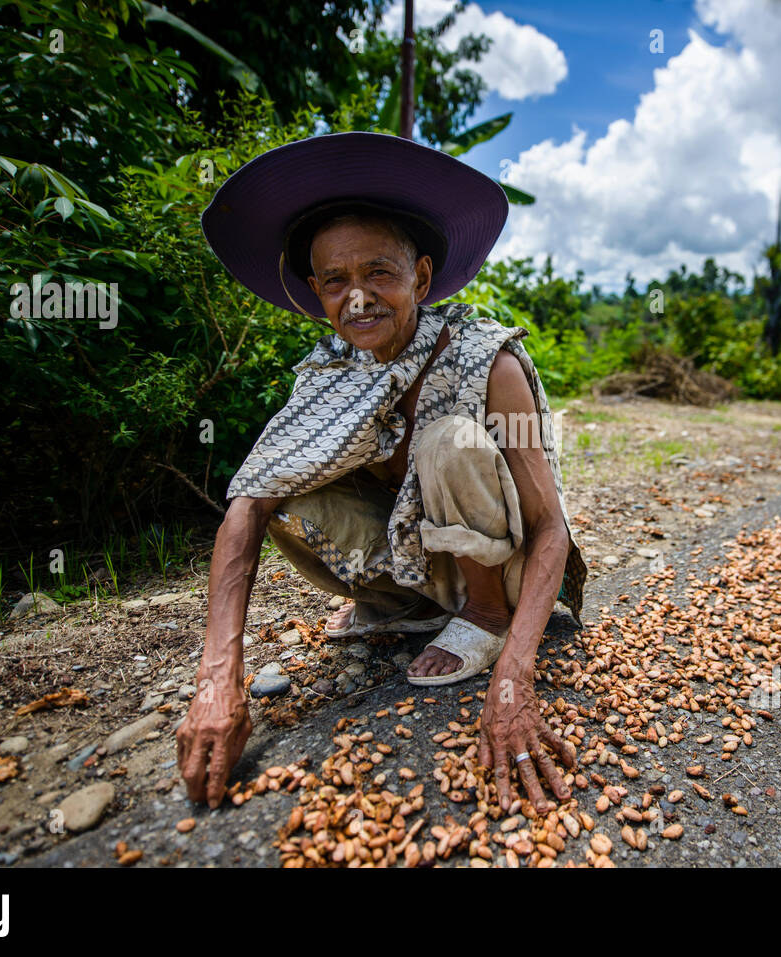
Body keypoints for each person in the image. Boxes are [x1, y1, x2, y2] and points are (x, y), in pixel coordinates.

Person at [176, 131, 588, 815]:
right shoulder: (331, 376)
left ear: (421, 278)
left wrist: (514, 676)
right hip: (427, 556)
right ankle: (418, 604)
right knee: (277, 487)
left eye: (381, 274)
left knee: (447, 440)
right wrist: (219, 677)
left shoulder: (488, 359)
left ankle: (484, 614)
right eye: (336, 281)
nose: (358, 298)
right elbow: (243, 512)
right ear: (316, 292)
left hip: (507, 564)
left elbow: (551, 530)